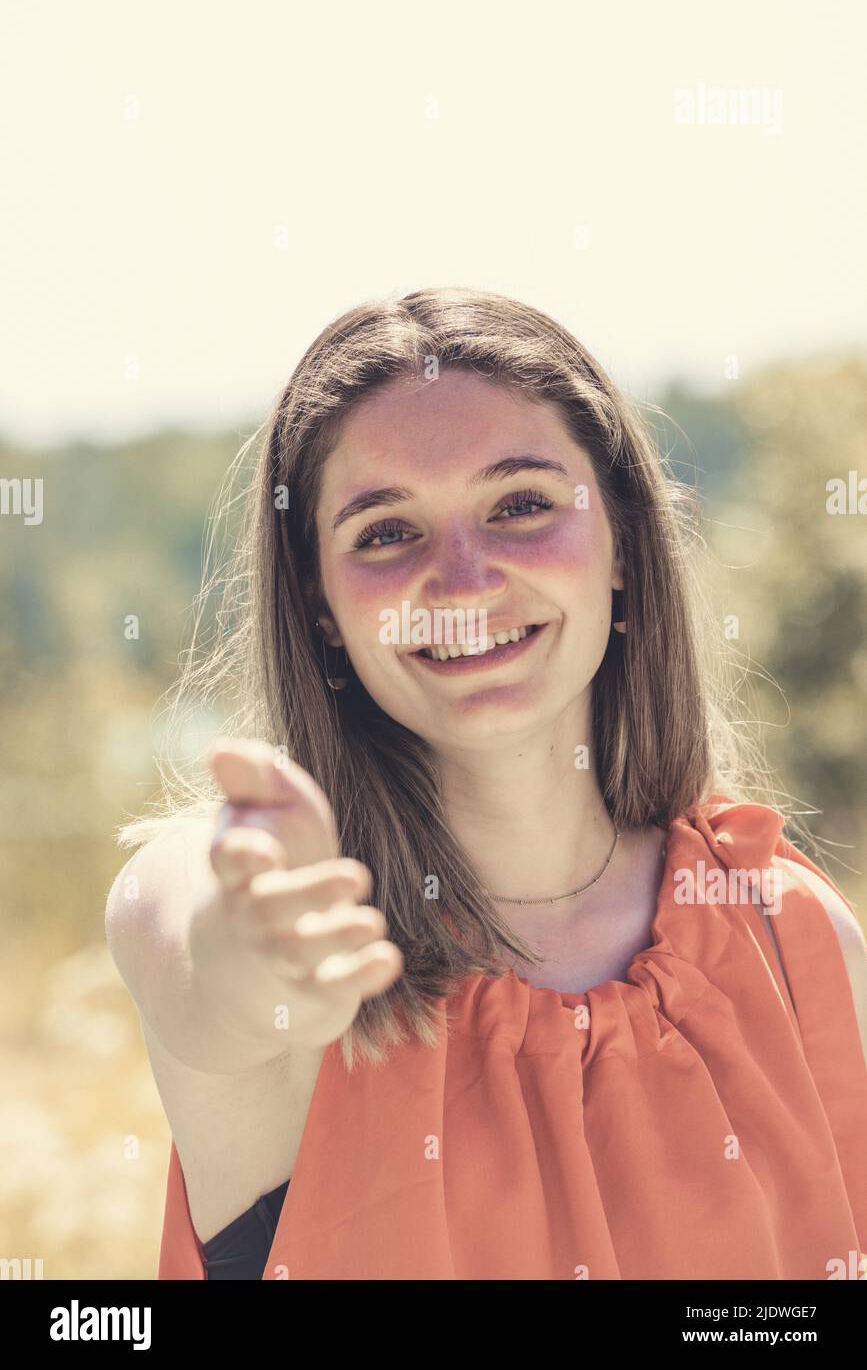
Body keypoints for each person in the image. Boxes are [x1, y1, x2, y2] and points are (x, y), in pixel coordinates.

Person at [105, 287, 867, 1281]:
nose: (464, 582)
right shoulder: (227, 891)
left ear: (623, 542)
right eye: (386, 532)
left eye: (520, 506)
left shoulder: (794, 935)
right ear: (322, 607)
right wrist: (265, 956)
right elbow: (206, 969)